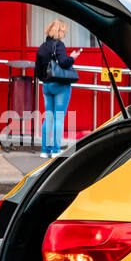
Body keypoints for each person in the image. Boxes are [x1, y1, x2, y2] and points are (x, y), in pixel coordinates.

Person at [34, 19, 81, 158]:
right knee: (59, 118)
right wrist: (72, 57)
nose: (64, 35)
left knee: (48, 117)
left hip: (46, 86)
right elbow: (64, 63)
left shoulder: (42, 47)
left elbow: (37, 71)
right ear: (60, 32)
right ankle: (55, 150)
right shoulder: (58, 45)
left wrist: (45, 80)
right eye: (64, 32)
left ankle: (45, 150)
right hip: (60, 86)